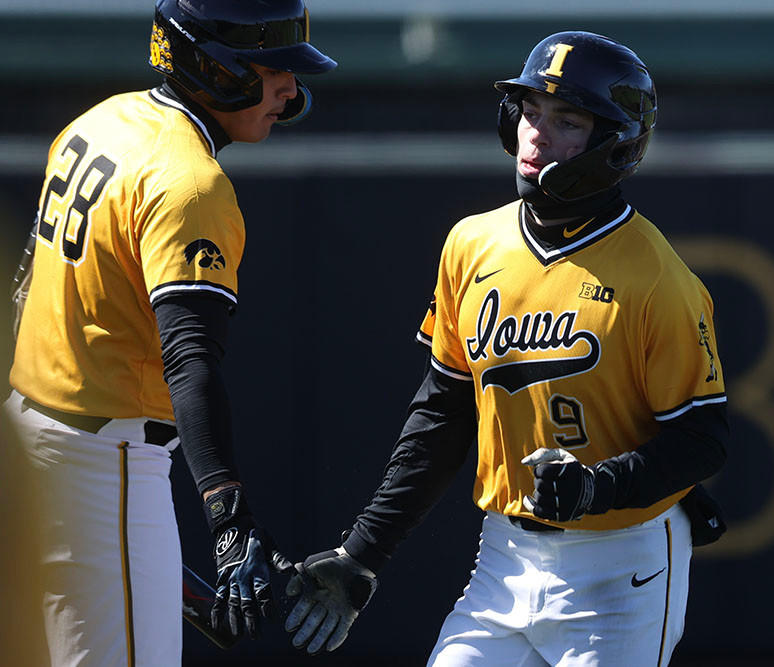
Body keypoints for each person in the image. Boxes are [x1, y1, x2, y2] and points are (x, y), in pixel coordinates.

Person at [284, 31, 729, 665]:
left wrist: (598, 488)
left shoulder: (657, 277)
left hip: (622, 565)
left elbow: (704, 438)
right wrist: (363, 553)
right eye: (530, 111)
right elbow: (443, 413)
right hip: (504, 559)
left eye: (567, 120)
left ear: (615, 143)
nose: (537, 134)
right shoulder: (473, 243)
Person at [2, 1, 335, 664]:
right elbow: (192, 363)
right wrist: (228, 520)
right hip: (104, 471)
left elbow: (22, 293)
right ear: (216, 67)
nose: (291, 91)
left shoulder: (98, 122)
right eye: (274, 71)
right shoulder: (191, 182)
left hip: (31, 440)